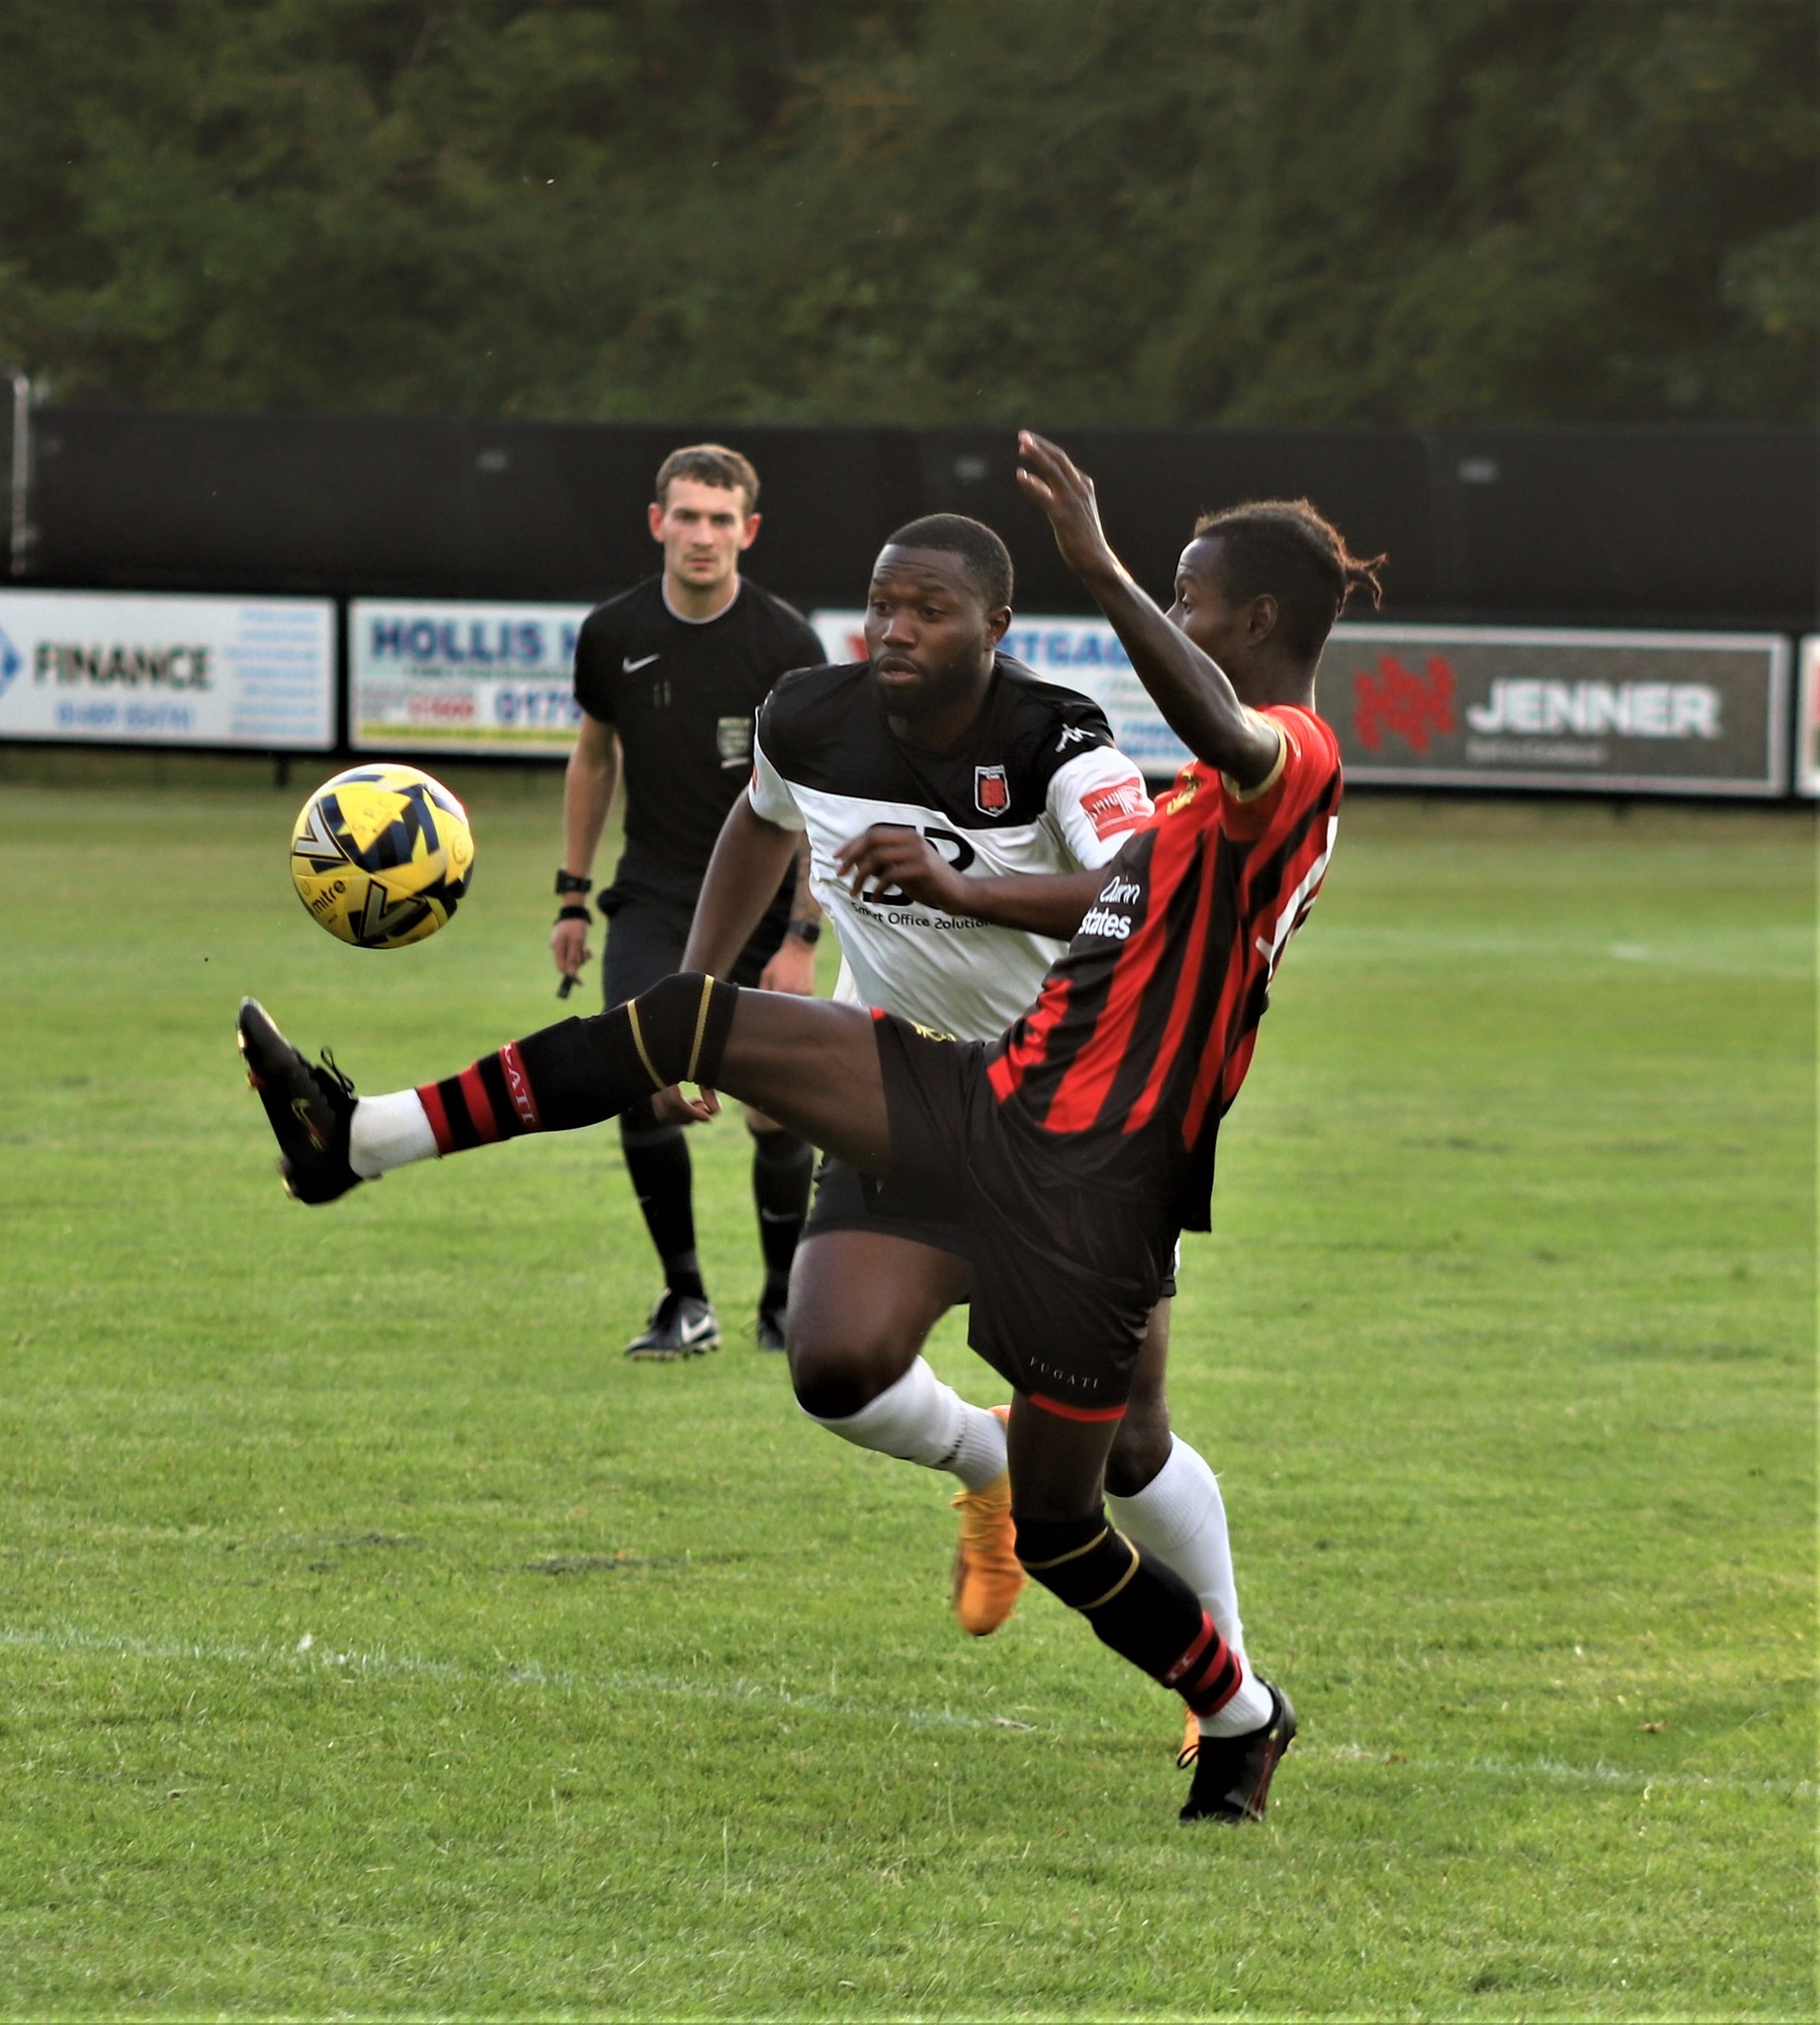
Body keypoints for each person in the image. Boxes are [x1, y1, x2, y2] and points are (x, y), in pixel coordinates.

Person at [236, 431, 1382, 1825]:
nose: (1180, 617)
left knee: (1075, 1522)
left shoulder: (1288, 765)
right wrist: (957, 902)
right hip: (988, 1092)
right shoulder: (1193, 799)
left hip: (1094, 1187)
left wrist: (1098, 563)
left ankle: (1238, 1710)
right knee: (688, 1019)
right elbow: (1111, 889)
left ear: (1249, 622)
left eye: (1194, 600)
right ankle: (357, 1140)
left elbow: (1222, 730)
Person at [669, 508, 1253, 1772]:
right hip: (900, 1095)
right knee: (835, 1363)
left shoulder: (1063, 738)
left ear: (997, 627)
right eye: (882, 603)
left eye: (928, 609)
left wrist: (959, 884)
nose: (895, 628)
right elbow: (760, 823)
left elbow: (1139, 891)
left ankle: (1225, 1690)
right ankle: (987, 1461)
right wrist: (693, 994)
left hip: (1078, 1122)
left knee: (1131, 1445)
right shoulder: (805, 717)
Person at [554, 442, 826, 1358]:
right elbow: (592, 759)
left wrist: (801, 936)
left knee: (775, 1107)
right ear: (657, 523)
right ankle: (684, 1302)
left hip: (761, 909)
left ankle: (783, 1305)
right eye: (687, 516)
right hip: (655, 896)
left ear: (747, 531)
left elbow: (819, 802)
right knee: (633, 1072)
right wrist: (570, 897)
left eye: (720, 519)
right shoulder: (611, 631)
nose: (702, 535)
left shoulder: (788, 644)